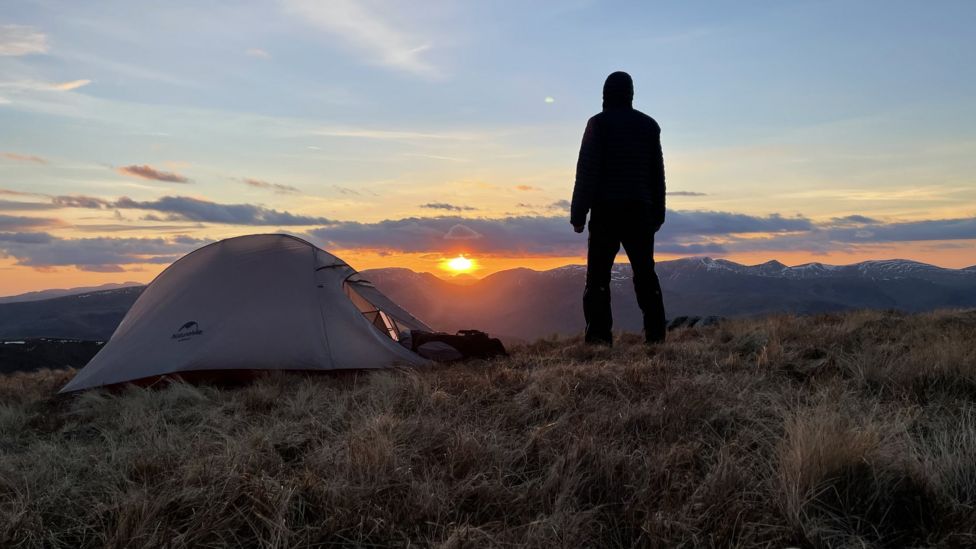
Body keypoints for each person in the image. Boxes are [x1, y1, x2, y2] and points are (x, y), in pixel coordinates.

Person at [570, 71, 667, 345]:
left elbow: (586, 172)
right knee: (645, 274)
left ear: (605, 94)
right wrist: (658, 213)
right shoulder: (649, 125)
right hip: (640, 211)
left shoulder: (598, 124)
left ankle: (599, 339)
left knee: (598, 278)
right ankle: (656, 336)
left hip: (606, 212)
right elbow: (656, 175)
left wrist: (578, 215)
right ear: (631, 93)